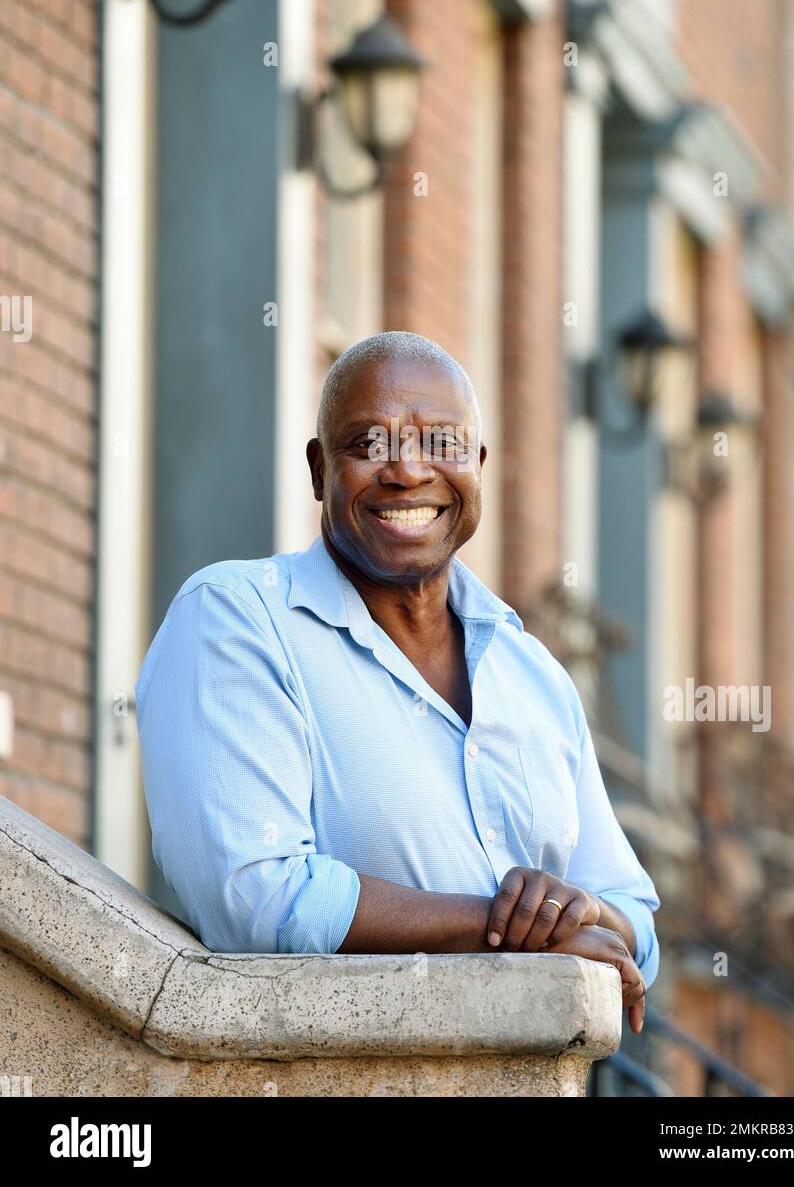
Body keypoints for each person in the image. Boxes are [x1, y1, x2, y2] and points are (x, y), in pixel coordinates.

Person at [136, 331, 659, 1032]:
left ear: (477, 464)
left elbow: (635, 920)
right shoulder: (238, 620)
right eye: (368, 443)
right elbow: (257, 897)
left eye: (441, 443)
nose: (407, 470)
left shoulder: (533, 673)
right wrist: (512, 931)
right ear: (320, 471)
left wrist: (577, 912)